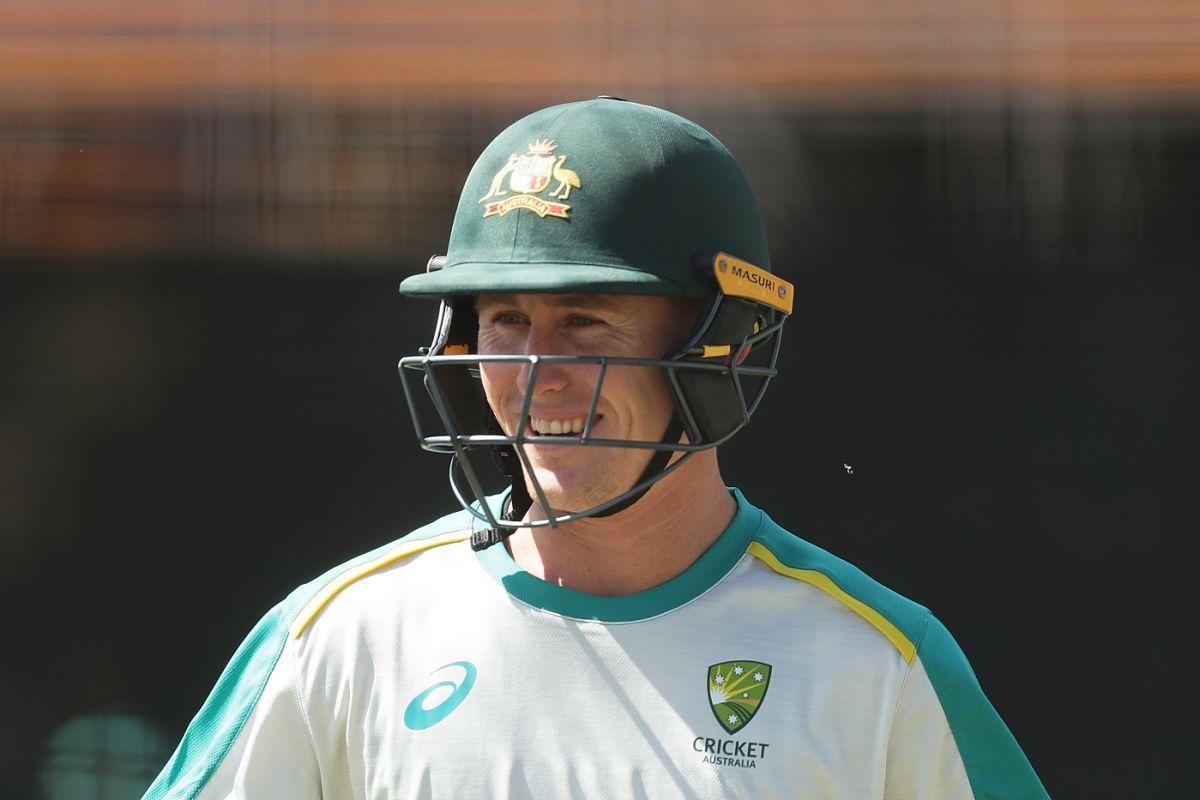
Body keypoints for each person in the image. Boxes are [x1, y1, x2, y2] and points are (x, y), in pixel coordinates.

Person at [145, 98, 1048, 799]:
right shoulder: (341, 638)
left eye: (586, 320)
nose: (541, 374)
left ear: (720, 340)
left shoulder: (876, 662)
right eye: (506, 322)